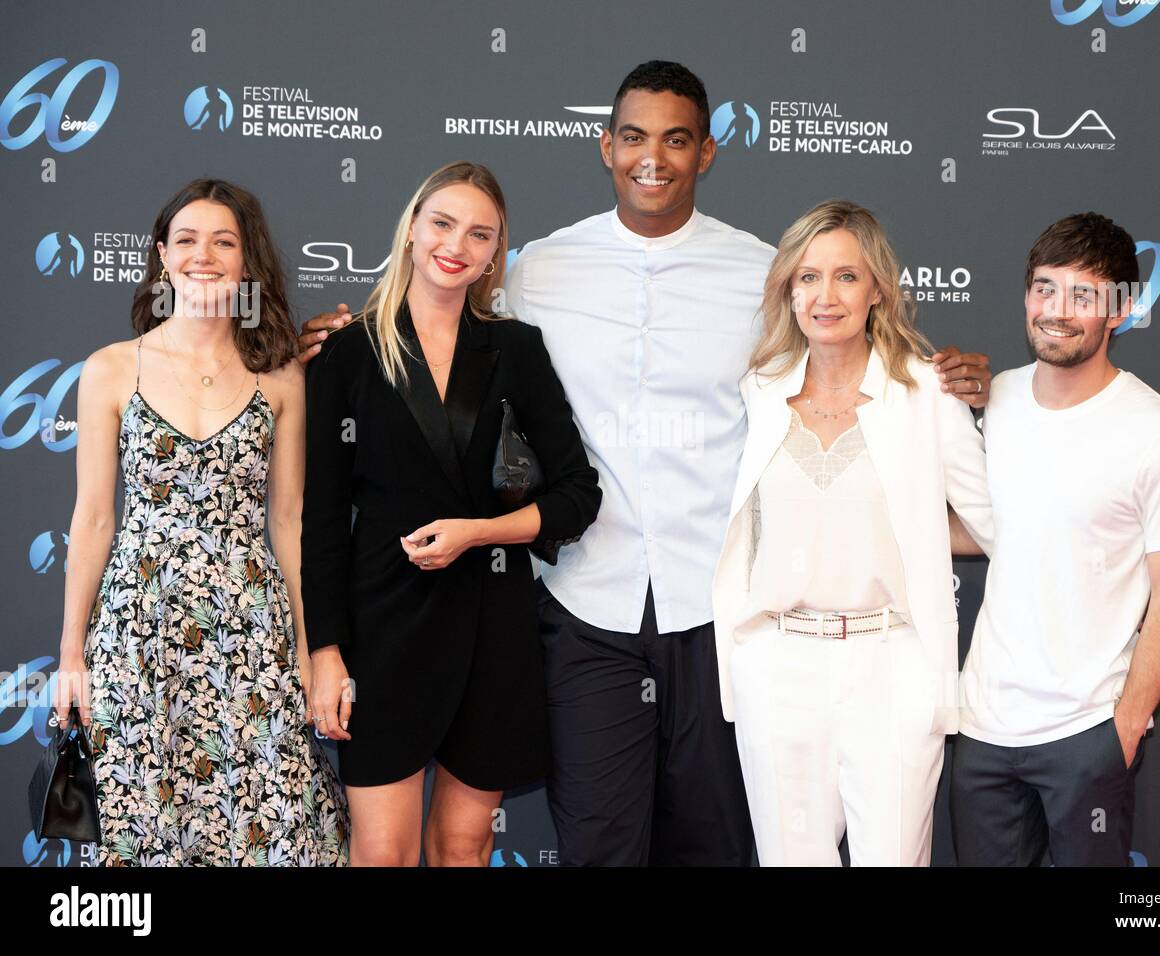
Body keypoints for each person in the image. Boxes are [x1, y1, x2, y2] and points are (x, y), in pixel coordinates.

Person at [298, 61, 990, 867]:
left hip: (720, 610)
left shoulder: (762, 275)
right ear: (606, 147)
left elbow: (849, 351)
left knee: (722, 844)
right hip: (586, 606)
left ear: (707, 153)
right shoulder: (538, 272)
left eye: (675, 139)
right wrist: (329, 343)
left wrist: (955, 377)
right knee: (597, 846)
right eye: (633, 137)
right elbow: (439, 323)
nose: (651, 157)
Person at [301, 161, 600, 867]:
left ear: (496, 254)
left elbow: (576, 495)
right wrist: (324, 653)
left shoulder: (516, 350)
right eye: (441, 222)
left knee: (463, 846)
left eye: (479, 233)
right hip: (381, 630)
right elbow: (321, 524)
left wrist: (481, 533)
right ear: (411, 228)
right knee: (382, 852)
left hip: (491, 626)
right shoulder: (346, 353)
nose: (456, 244)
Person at [54, 179, 348, 866]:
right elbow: (94, 519)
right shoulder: (110, 369)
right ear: (162, 255)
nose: (204, 255)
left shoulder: (279, 378)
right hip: (138, 635)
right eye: (186, 240)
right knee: (145, 825)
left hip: (251, 633)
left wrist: (309, 645)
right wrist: (72, 656)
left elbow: (290, 519)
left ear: (248, 261)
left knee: (276, 825)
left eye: (224, 241)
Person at [711, 200, 995, 866]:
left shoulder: (929, 393)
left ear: (877, 290)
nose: (824, 295)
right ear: (788, 289)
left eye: (845, 276)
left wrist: (916, 529)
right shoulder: (759, 390)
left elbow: (993, 528)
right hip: (777, 663)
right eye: (807, 277)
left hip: (891, 663)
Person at [951, 212, 1160, 867]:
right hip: (982, 729)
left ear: (1120, 311)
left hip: (1086, 732)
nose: (1056, 311)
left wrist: (1122, 729)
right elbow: (992, 530)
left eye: (1082, 295)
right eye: (1044, 288)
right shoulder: (996, 400)